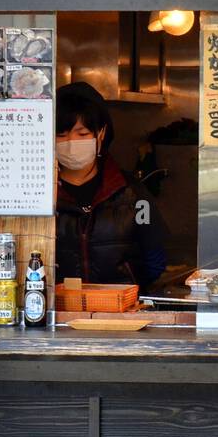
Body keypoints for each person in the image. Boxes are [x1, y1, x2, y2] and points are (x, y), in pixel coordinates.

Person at [54, 82, 167, 289]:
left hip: (120, 310)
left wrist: (130, 290)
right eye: (61, 135)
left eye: (82, 134)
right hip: (55, 310)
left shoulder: (133, 194)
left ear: (101, 133)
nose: (70, 142)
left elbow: (155, 257)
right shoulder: (39, 195)